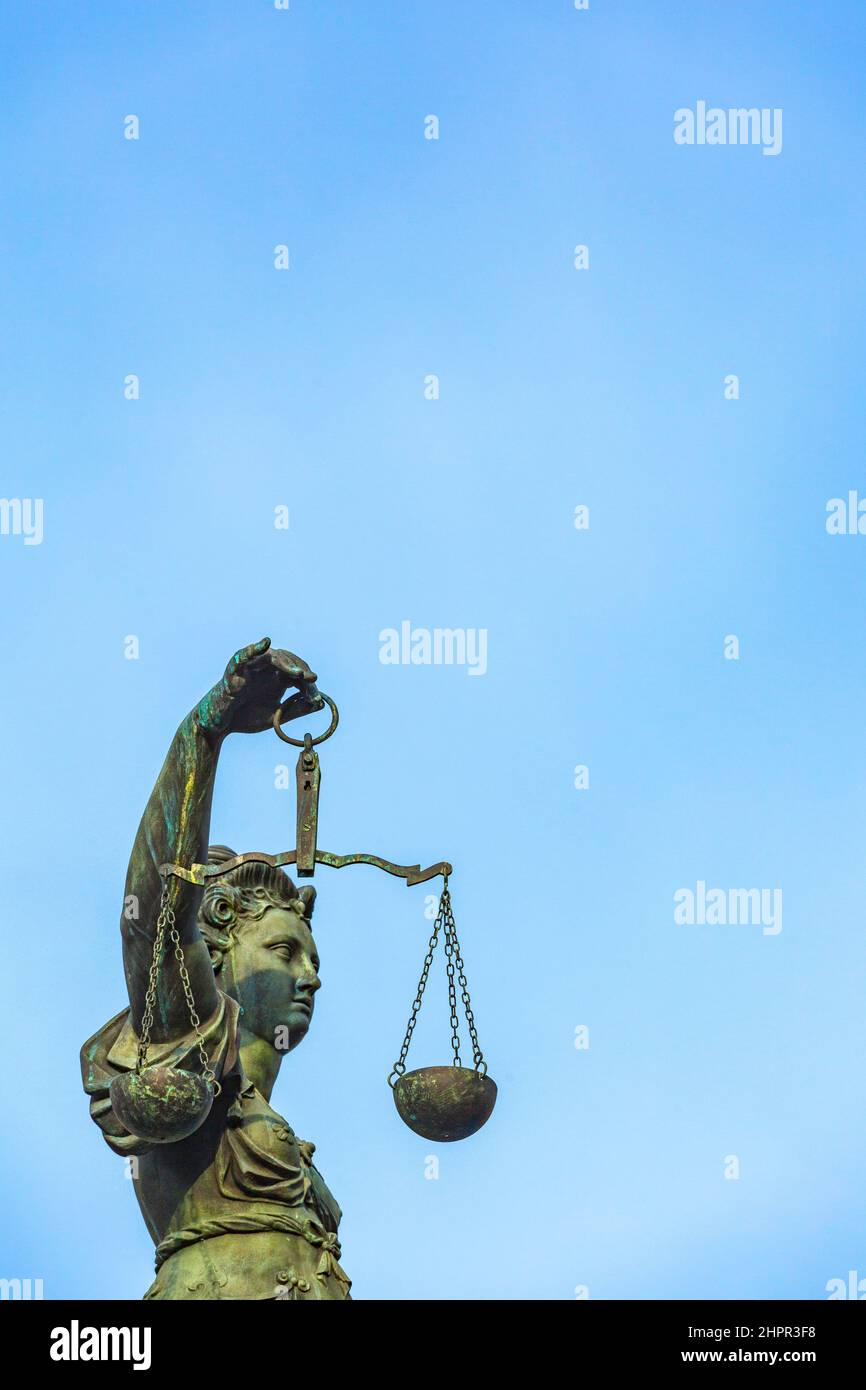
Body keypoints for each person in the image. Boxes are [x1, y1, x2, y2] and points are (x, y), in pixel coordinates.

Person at [81, 638, 351, 1301]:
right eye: (286, 952)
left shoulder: (270, 1115)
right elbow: (156, 917)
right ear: (220, 951)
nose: (310, 976)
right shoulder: (190, 1064)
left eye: (312, 958)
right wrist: (209, 728)